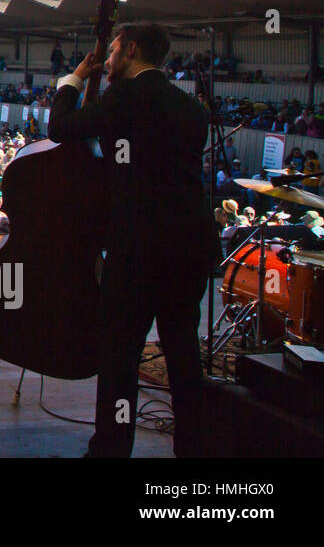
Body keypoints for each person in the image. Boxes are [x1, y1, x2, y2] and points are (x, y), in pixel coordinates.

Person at [48, 22, 213, 458]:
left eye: (113, 49)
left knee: (120, 360)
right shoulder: (191, 107)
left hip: (139, 250)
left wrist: (77, 77)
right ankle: (193, 448)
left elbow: (61, 127)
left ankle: (111, 449)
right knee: (183, 355)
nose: (108, 57)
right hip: (192, 247)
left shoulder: (126, 97)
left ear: (132, 49)